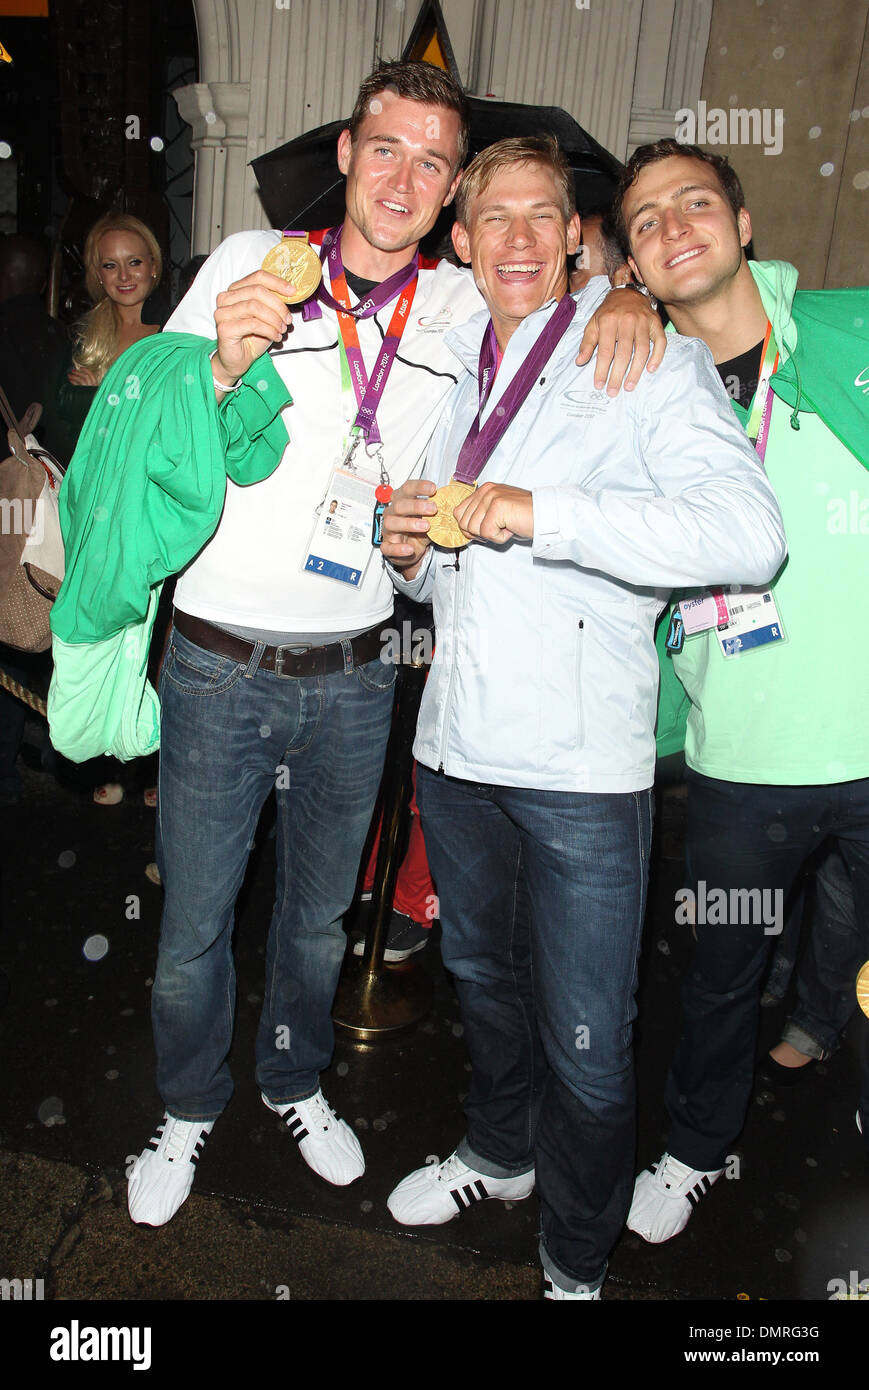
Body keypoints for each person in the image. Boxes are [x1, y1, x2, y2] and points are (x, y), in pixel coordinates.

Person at [125, 60, 667, 1229]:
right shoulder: (241, 265)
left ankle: (288, 1079)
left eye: (433, 161)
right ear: (345, 156)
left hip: (359, 673)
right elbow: (142, 429)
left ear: (447, 198)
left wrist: (627, 287)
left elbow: (555, 289)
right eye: (387, 148)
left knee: (317, 922)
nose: (405, 177)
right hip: (218, 662)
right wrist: (217, 361)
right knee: (195, 924)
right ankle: (182, 1106)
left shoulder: (460, 304)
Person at [379, 134, 785, 1299]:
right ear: (460, 245)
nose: (512, 238)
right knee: (481, 982)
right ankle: (499, 1151)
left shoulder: (645, 361)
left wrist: (539, 510)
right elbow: (443, 570)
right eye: (489, 219)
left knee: (591, 1042)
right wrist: (411, 552)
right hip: (454, 752)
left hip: (580, 774)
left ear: (573, 239)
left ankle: (572, 1257)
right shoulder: (456, 368)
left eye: (538, 217)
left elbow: (745, 535)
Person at [607, 139, 869, 1244]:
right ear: (631, 262)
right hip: (735, 765)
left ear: (743, 222)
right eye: (644, 222)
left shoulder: (851, 336)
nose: (672, 227)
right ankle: (693, 1148)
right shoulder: (630, 390)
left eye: (694, 203)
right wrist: (607, 306)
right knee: (720, 975)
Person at [56, 213, 164, 807]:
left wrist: (106, 394)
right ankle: (107, 750)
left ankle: (148, 763)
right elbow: (60, 424)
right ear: (97, 274)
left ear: (152, 266)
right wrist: (83, 396)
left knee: (154, 635)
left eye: (134, 261)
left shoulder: (175, 330)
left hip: (149, 510)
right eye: (109, 264)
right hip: (95, 511)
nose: (124, 275)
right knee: (104, 626)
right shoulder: (86, 334)